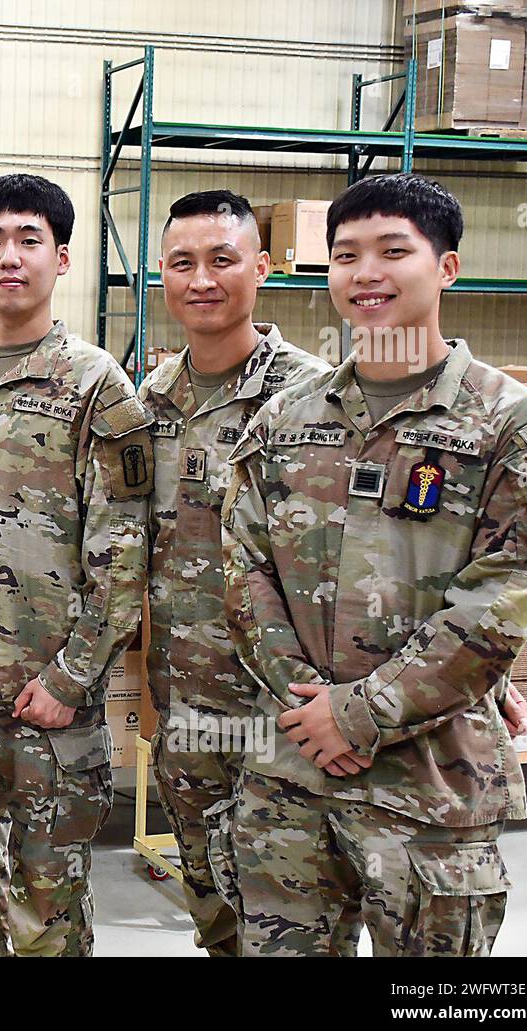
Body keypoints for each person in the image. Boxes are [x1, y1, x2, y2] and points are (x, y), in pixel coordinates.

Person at [222, 172, 527, 956]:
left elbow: (499, 606)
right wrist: (310, 706)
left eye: (393, 251)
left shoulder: (515, 429)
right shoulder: (286, 417)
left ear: (446, 267)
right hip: (291, 775)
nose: (366, 273)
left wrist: (357, 714)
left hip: (431, 791)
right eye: (345, 255)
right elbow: (244, 567)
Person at [0, 173, 151, 956]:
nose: (9, 257)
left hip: (43, 703)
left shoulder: (95, 387)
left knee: (45, 910)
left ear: (64, 258)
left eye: (29, 241)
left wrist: (70, 680)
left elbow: (122, 552)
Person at [145, 190, 332, 956]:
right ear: (163, 275)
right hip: (186, 712)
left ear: (262, 266)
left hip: (284, 715)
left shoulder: (318, 398)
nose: (203, 280)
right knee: (215, 916)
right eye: (183, 263)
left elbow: (377, 555)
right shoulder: (148, 404)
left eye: (223, 260)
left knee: (292, 924)